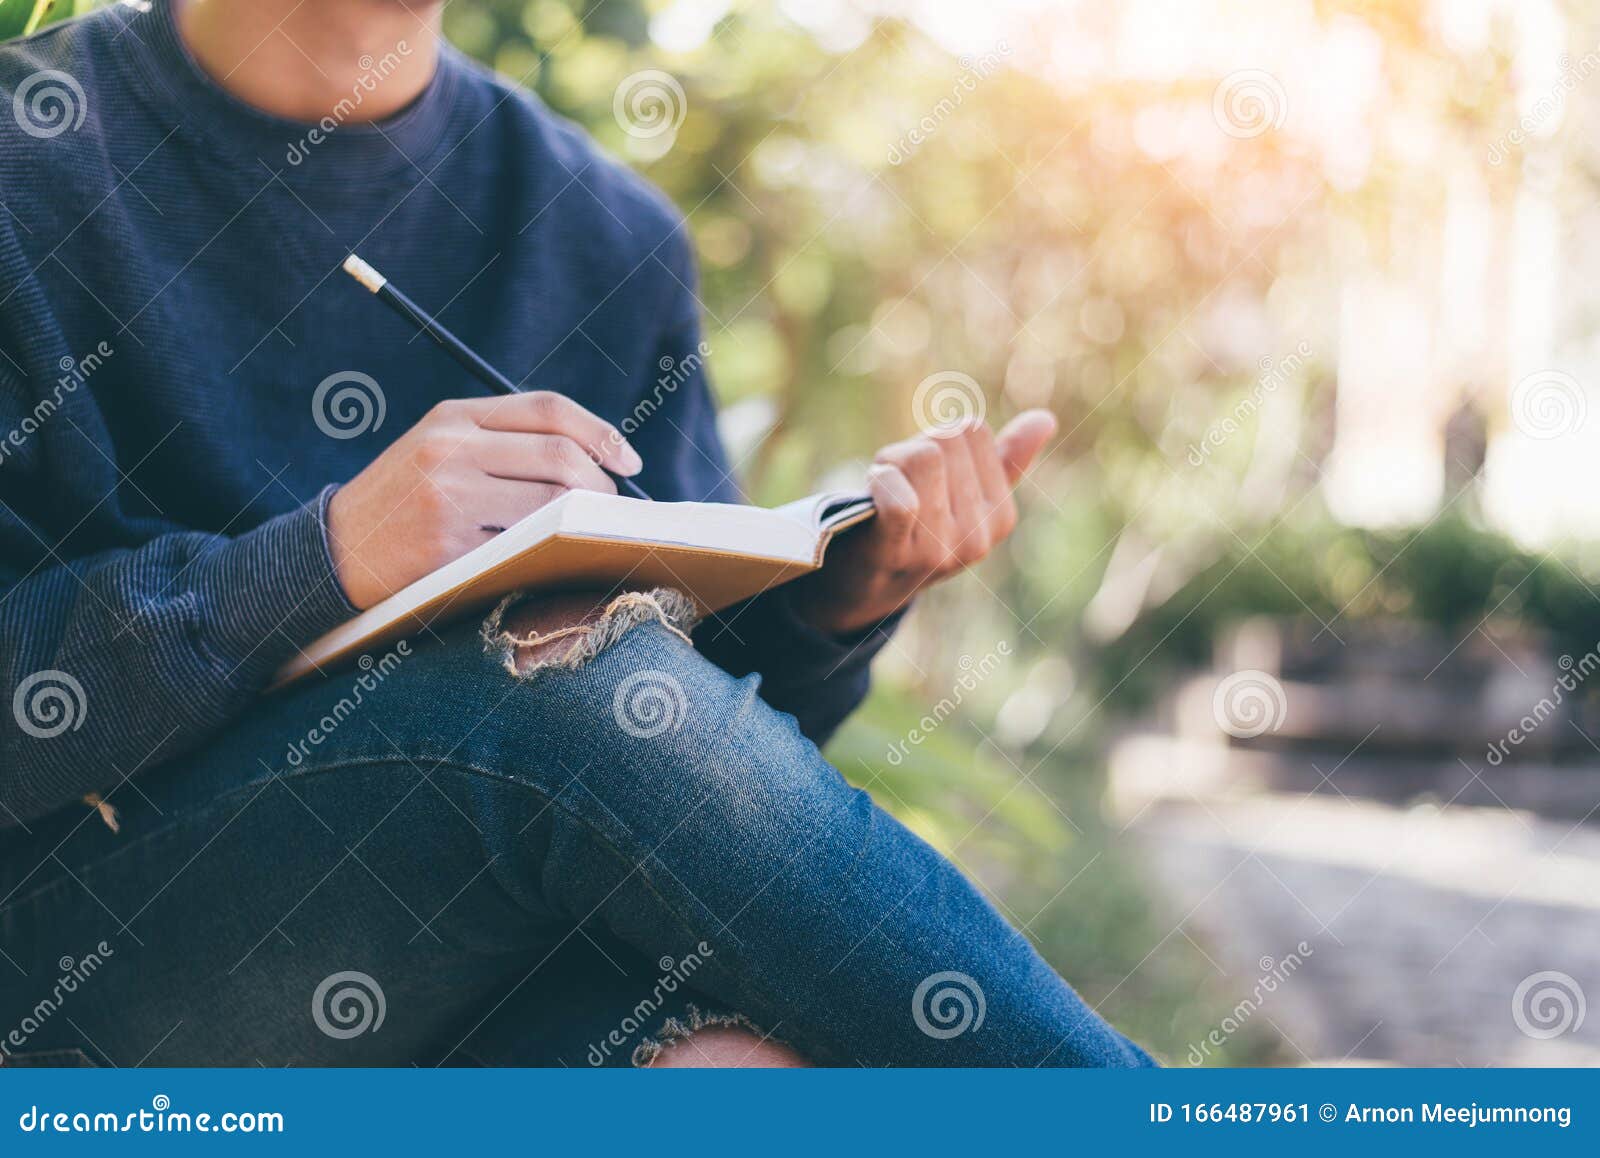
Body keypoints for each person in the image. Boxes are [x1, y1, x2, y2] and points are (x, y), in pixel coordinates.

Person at [0, 0, 1152, 1068]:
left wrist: (833, 605)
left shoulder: (605, 233)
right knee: (559, 679)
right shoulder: (26, 162)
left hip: (468, 965)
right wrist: (326, 557)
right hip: (78, 958)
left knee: (729, 1076)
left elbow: (689, 791)